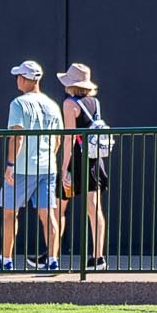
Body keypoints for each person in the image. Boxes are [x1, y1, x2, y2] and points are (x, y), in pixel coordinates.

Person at [0, 60, 63, 274]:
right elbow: (58, 140)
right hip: (47, 167)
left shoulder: (18, 104)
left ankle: (6, 260)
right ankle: (52, 260)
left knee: (10, 214)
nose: (16, 80)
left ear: (24, 79)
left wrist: (10, 164)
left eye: (18, 76)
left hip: (21, 168)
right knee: (48, 214)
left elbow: (17, 136)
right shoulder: (52, 105)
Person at [56, 63, 111, 271]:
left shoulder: (69, 104)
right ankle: (98, 257)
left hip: (77, 159)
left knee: (61, 205)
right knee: (94, 208)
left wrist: (64, 168)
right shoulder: (95, 102)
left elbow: (69, 139)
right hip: (94, 159)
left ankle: (52, 254)